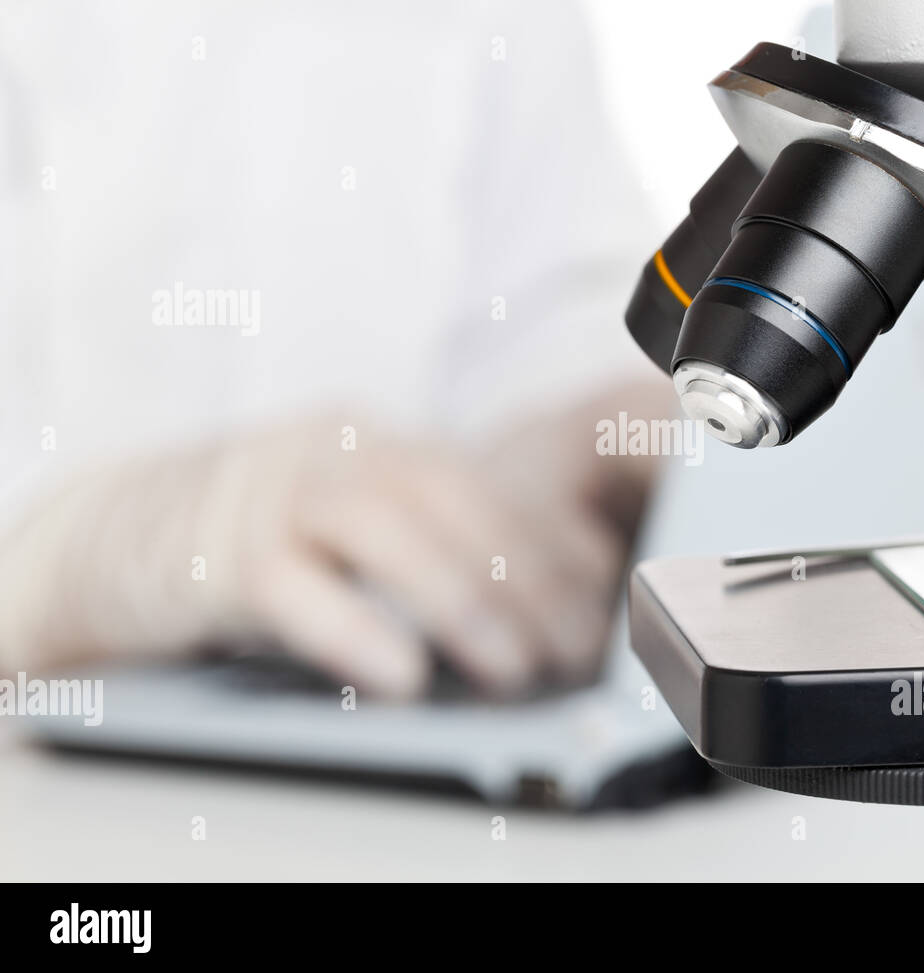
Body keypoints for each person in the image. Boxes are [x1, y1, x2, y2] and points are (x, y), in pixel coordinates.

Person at [0, 0, 673, 698]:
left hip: (416, 707)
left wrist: (597, 427)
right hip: (41, 754)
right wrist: (82, 561)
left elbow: (556, 304)